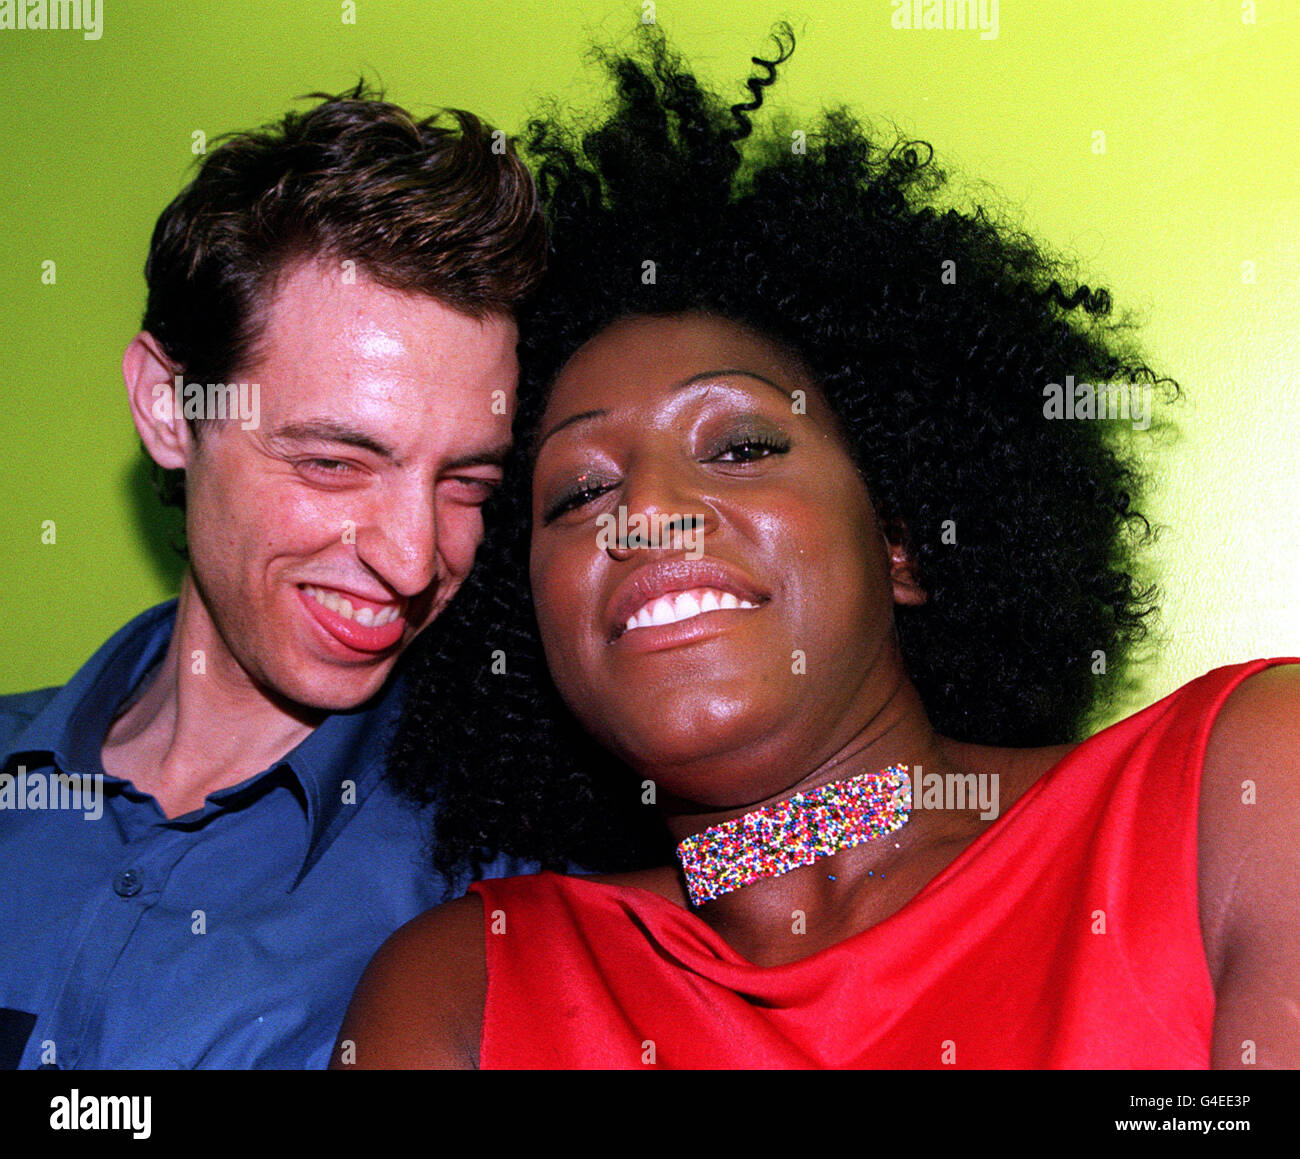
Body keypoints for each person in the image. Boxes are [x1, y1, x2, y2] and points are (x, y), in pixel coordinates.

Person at [335, 28, 1300, 1069]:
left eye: (743, 445)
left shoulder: (1238, 790)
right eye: (578, 492)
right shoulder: (463, 991)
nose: (648, 510)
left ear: (899, 543)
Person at [0, 85, 547, 1069]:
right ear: (170, 409)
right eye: (333, 463)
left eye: (465, 483)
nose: (411, 558)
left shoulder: (500, 872)